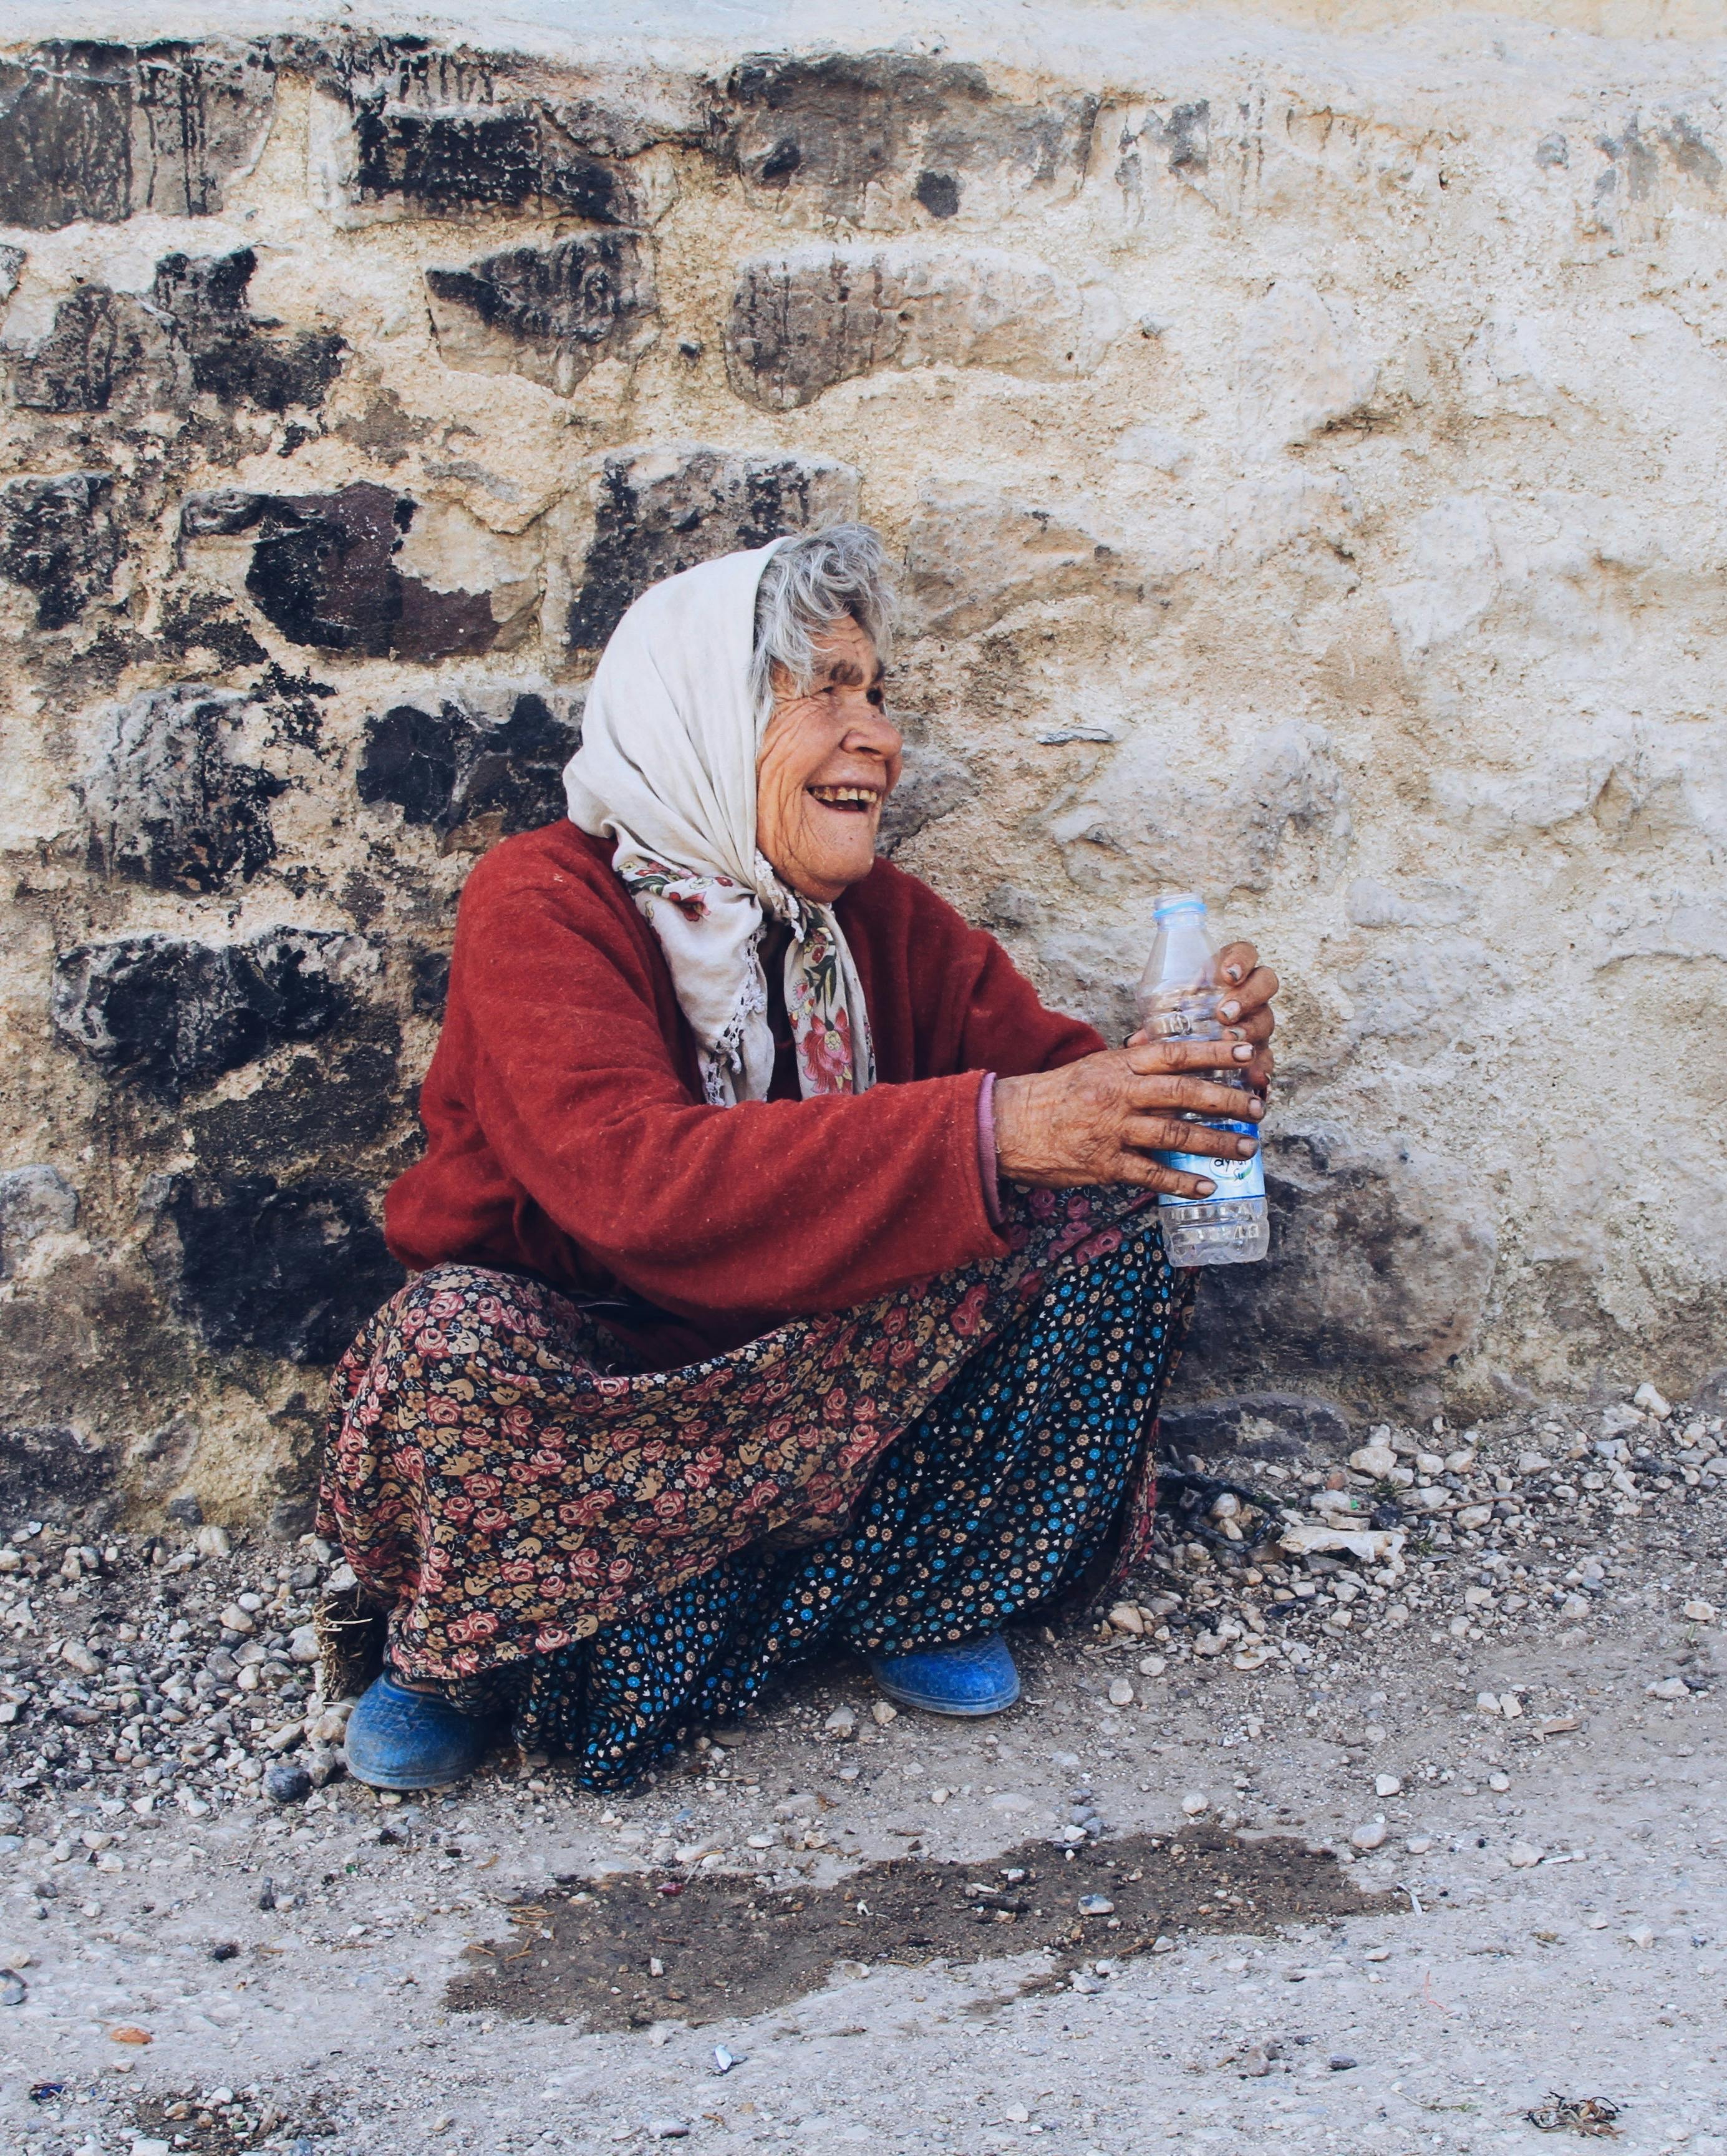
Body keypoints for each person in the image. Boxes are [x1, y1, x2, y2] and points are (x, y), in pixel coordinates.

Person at [322, 525, 1278, 1791]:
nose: (876, 734)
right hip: (607, 1399)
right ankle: (467, 1652)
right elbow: (633, 1183)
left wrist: (1180, 1079)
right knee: (449, 1338)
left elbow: (1070, 1101)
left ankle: (924, 1588)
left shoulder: (880, 924)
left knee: (1112, 1213)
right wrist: (997, 1130)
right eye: (824, 689)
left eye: (876, 695)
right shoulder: (542, 899)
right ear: (706, 717)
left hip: (824, 1387)